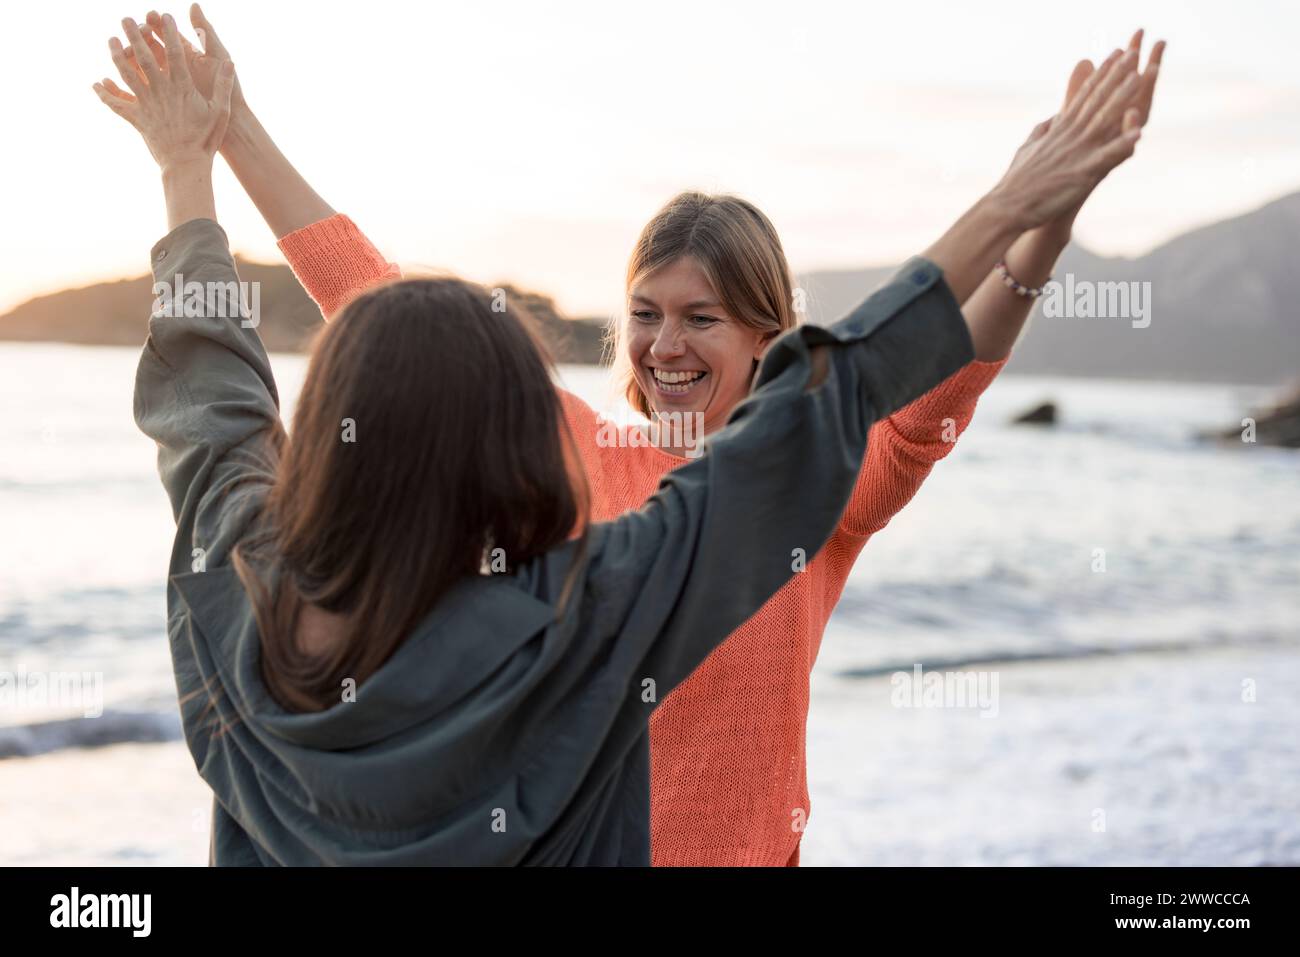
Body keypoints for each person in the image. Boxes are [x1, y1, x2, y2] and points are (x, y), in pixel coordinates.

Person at [96, 10, 1152, 865]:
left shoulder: (231, 579)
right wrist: (235, 137)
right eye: (647, 313)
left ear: (763, 337)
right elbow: (376, 299)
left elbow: (920, 393)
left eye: (701, 318)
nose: (664, 344)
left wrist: (1039, 229)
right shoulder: (598, 508)